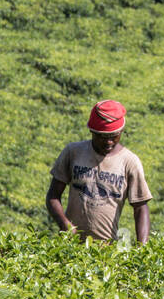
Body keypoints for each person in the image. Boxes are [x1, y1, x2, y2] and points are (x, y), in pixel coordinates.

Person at [46, 99, 152, 244]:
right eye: (102, 136)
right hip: (70, 244)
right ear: (92, 131)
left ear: (121, 131)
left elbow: (140, 208)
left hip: (106, 250)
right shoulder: (73, 152)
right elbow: (53, 196)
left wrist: (143, 248)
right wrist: (65, 224)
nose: (108, 142)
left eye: (113, 136)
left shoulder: (129, 162)